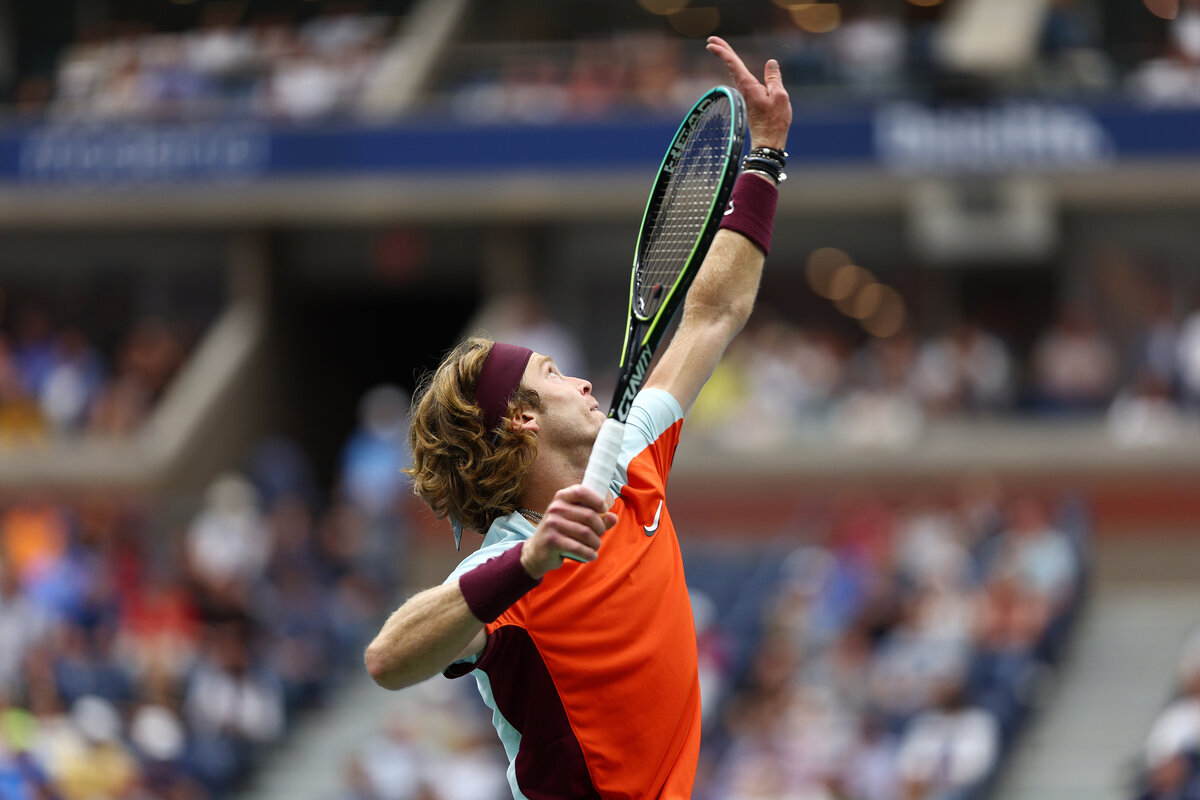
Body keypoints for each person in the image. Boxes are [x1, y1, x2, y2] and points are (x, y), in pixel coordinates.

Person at [365, 36, 791, 800]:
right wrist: (531, 563)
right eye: (553, 374)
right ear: (521, 420)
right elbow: (387, 660)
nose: (583, 381)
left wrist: (764, 157)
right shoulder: (505, 569)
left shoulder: (634, 454)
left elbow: (713, 312)